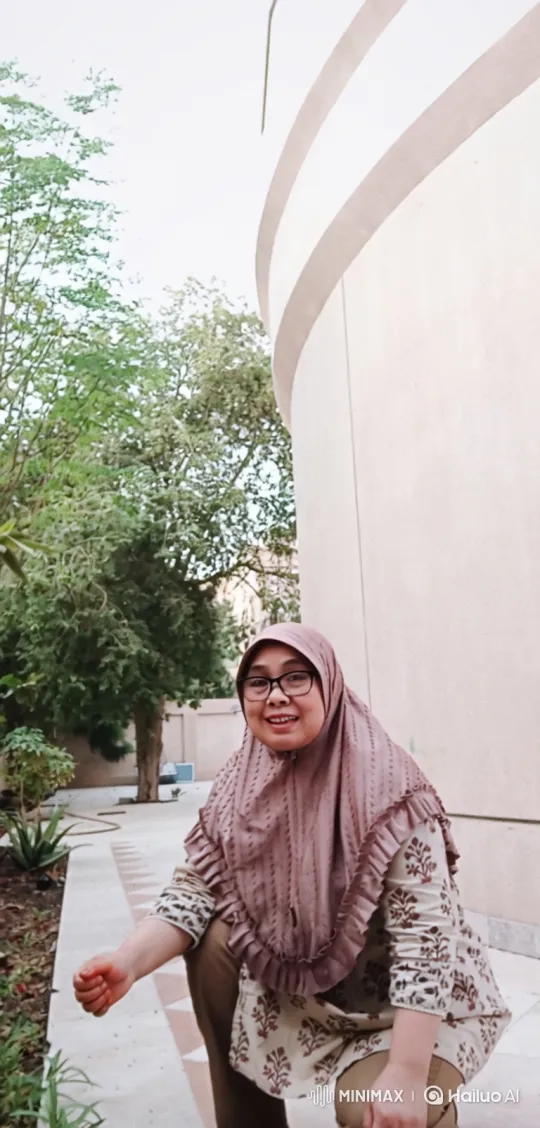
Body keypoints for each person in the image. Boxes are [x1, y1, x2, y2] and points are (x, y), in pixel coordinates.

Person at [73, 624, 511, 1128]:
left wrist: (409, 1071)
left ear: (329, 685)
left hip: (414, 1014)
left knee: (377, 1112)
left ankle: (431, 1100)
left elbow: (426, 941)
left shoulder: (389, 789)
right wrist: (126, 963)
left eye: (296, 678)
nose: (276, 696)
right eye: (258, 682)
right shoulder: (242, 781)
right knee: (214, 938)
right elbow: (196, 887)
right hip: (312, 1000)